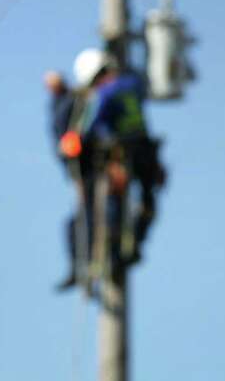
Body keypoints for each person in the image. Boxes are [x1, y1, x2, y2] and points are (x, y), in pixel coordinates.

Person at [44, 48, 166, 292]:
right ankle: (131, 247)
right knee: (145, 201)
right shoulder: (132, 84)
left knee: (106, 206)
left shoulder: (104, 94)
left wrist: (76, 140)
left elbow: (89, 126)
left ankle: (111, 255)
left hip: (123, 154)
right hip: (144, 151)